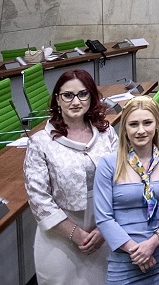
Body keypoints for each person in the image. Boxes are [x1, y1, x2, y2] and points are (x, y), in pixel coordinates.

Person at [23, 70, 119, 285]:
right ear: (57, 99)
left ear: (91, 97)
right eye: (68, 95)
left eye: (83, 94)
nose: (76, 101)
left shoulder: (107, 134)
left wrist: (104, 230)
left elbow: (121, 181)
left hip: (105, 229)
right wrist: (76, 234)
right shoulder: (40, 143)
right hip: (60, 238)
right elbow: (39, 199)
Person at [94, 97, 159, 285]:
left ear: (157, 124)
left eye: (147, 123)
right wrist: (137, 251)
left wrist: (153, 243)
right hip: (124, 263)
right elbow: (103, 217)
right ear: (124, 128)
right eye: (133, 124)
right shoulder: (108, 164)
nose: (141, 130)